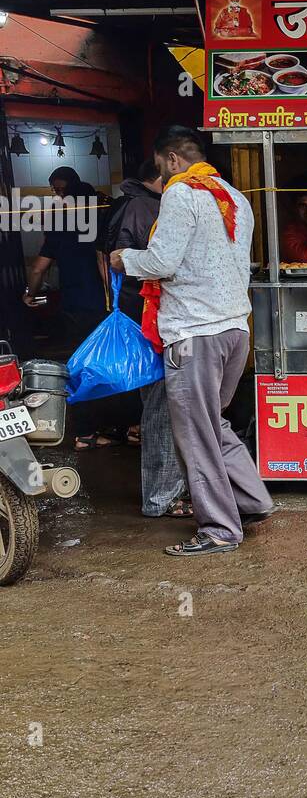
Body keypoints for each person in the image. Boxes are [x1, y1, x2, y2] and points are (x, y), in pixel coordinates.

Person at [110, 126, 273, 556]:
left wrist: (124, 258)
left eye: (162, 167)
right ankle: (252, 501)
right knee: (213, 423)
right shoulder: (233, 196)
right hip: (235, 330)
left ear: (172, 159)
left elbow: (162, 261)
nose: (161, 177)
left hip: (194, 334)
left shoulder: (182, 194)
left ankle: (219, 528)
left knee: (196, 434)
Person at [104, 158, 190, 520]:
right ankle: (160, 497)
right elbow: (118, 259)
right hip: (150, 323)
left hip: (149, 320)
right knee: (161, 410)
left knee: (166, 409)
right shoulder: (142, 207)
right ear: (164, 171)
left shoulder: (133, 203)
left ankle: (170, 490)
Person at [23, 166, 124, 450]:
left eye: (61, 191)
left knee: (79, 368)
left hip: (73, 307)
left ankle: (85, 431)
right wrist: (117, 303)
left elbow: (38, 267)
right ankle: (107, 428)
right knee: (108, 365)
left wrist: (30, 293)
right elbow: (104, 266)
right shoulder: (100, 222)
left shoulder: (59, 225)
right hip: (99, 308)